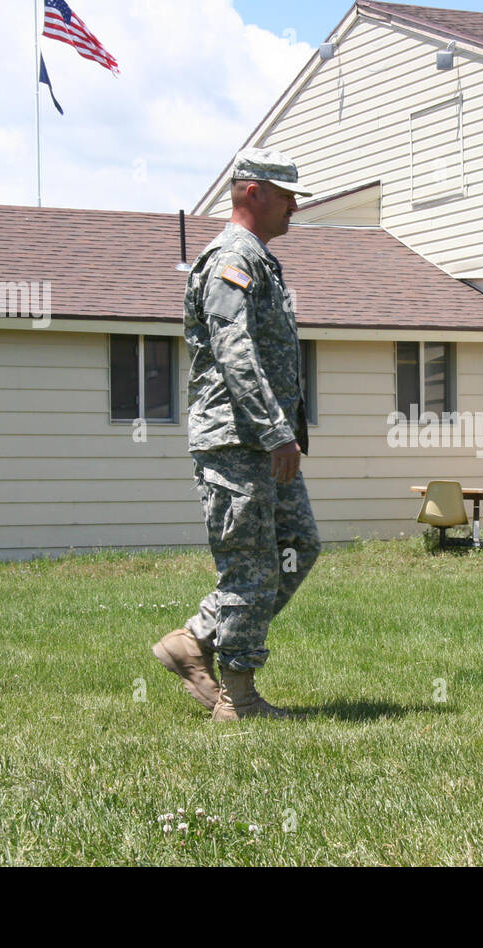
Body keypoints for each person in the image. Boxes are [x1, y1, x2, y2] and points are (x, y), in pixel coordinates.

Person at [153, 147, 321, 721]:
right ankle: (239, 697)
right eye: (287, 195)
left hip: (266, 440)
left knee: (298, 546)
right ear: (254, 192)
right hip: (237, 439)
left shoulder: (259, 259)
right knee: (250, 565)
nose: (295, 207)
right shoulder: (231, 258)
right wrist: (276, 433)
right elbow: (234, 351)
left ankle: (195, 640)